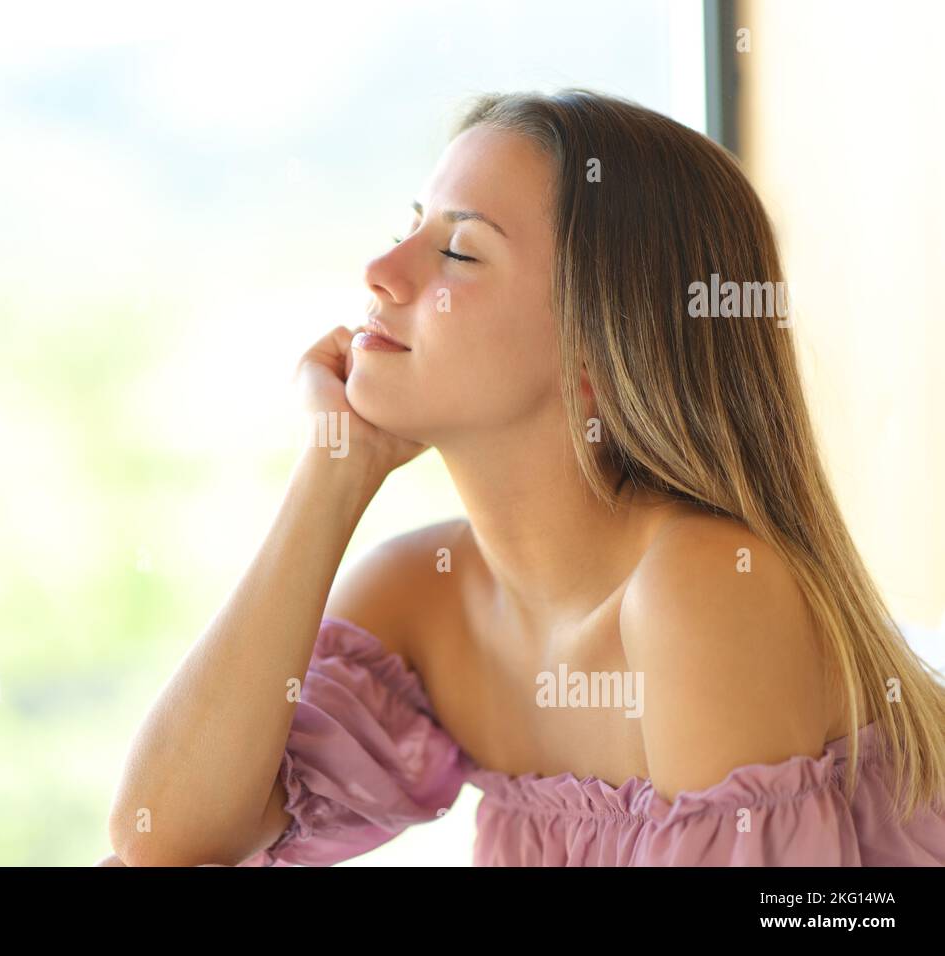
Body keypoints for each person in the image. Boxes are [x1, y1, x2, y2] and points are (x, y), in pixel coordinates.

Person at [106, 89, 945, 866]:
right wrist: (329, 481)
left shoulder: (700, 590)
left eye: (459, 252)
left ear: (599, 355)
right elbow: (165, 839)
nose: (382, 270)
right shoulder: (424, 599)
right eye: (410, 224)